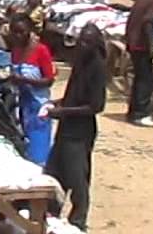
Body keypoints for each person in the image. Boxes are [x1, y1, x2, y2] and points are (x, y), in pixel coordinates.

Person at [44, 23, 108, 231]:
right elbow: (74, 95)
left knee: (76, 176)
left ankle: (78, 219)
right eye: (80, 40)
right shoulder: (80, 62)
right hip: (66, 127)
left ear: (95, 44)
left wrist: (62, 112)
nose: (82, 45)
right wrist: (58, 103)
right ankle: (51, 212)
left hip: (80, 131)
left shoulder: (97, 67)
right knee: (54, 171)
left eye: (86, 42)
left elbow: (95, 106)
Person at [7, 13, 57, 165]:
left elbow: (49, 80)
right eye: (14, 32)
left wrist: (24, 80)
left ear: (29, 30)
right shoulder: (15, 50)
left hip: (38, 106)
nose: (18, 35)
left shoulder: (41, 51)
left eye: (21, 32)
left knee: (38, 151)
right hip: (21, 106)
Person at [126, 0, 153, 126]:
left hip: (133, 44)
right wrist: (151, 46)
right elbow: (148, 24)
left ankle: (133, 111)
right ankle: (140, 113)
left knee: (139, 78)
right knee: (146, 80)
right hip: (142, 46)